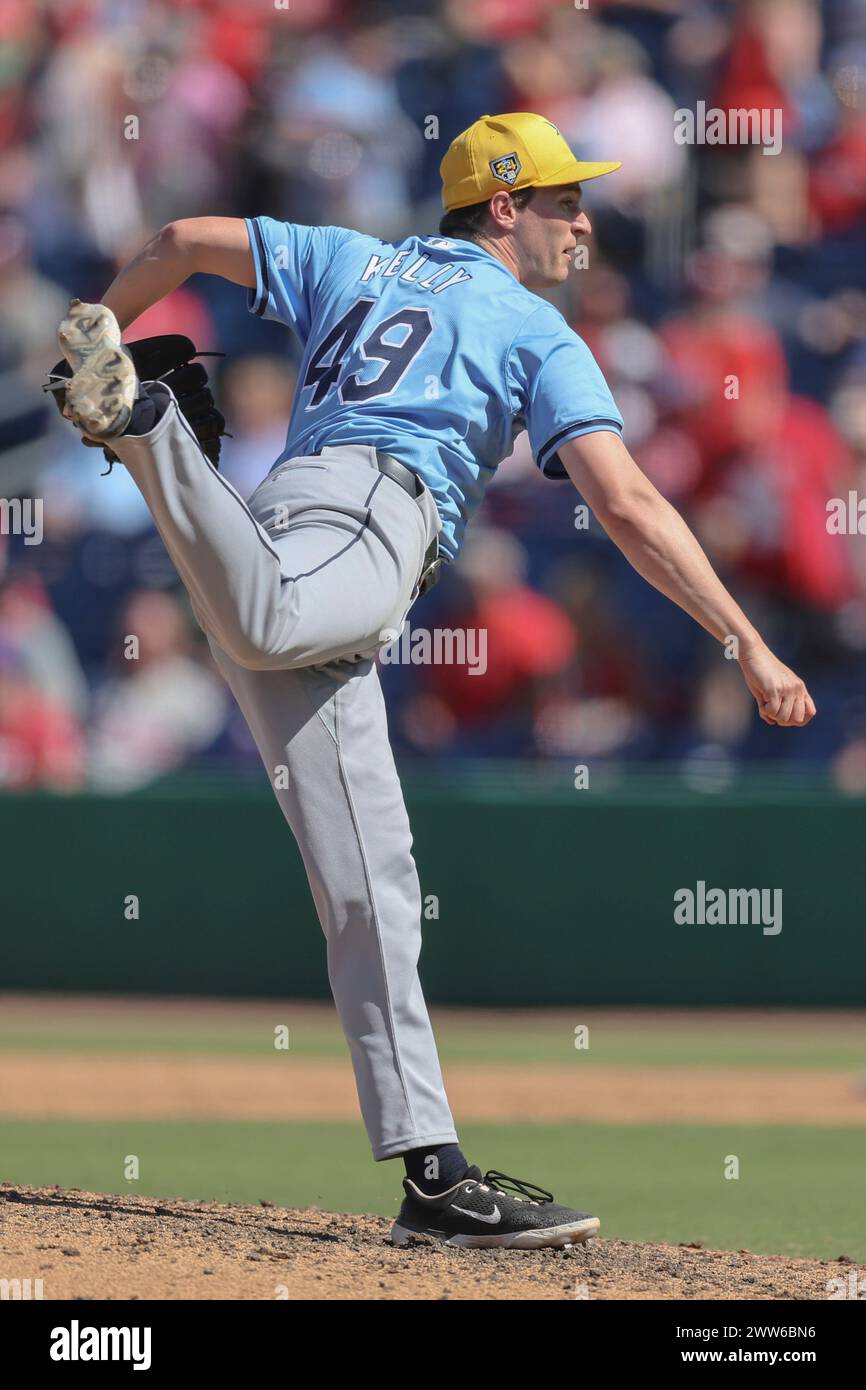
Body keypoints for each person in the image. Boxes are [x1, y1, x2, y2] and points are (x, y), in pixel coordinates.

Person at [51, 112, 815, 1250]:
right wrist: (743, 638)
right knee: (264, 622)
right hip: (361, 525)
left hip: (280, 534)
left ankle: (434, 1177)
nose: (582, 219)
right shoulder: (530, 323)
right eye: (561, 198)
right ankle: (151, 432)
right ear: (501, 205)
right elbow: (627, 503)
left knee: (372, 884)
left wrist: (99, 332)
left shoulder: (350, 255)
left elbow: (176, 233)